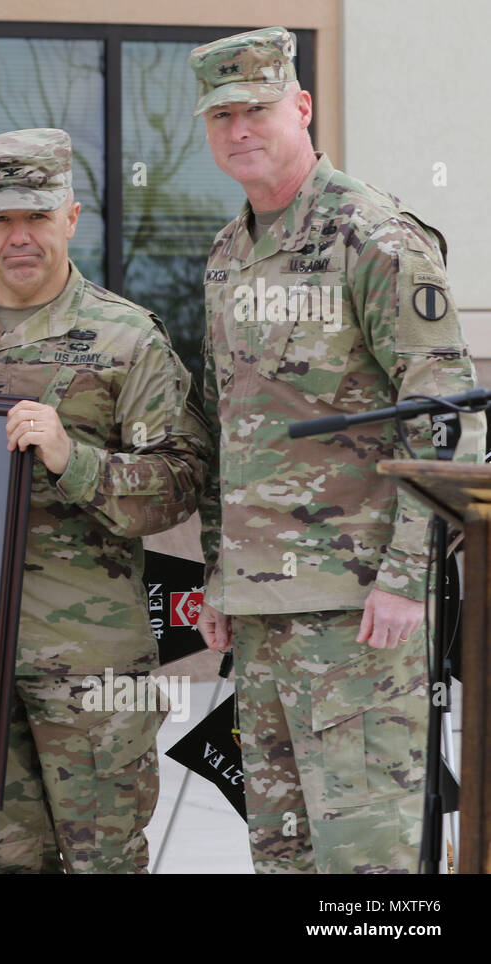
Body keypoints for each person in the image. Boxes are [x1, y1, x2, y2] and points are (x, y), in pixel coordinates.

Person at [189, 27, 486, 873]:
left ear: (302, 107)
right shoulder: (229, 254)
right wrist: (220, 573)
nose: (239, 129)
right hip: (261, 613)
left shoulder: (376, 238)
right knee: (281, 852)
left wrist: (407, 578)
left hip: (360, 616)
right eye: (221, 116)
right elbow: (228, 428)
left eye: (256, 108)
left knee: (368, 860)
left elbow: (448, 419)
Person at [0, 129, 210, 873]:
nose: (20, 236)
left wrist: (76, 460)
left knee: (105, 861)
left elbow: (180, 482)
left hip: (87, 660)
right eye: (1, 219)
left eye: (37, 216)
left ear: (71, 217)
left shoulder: (126, 340)